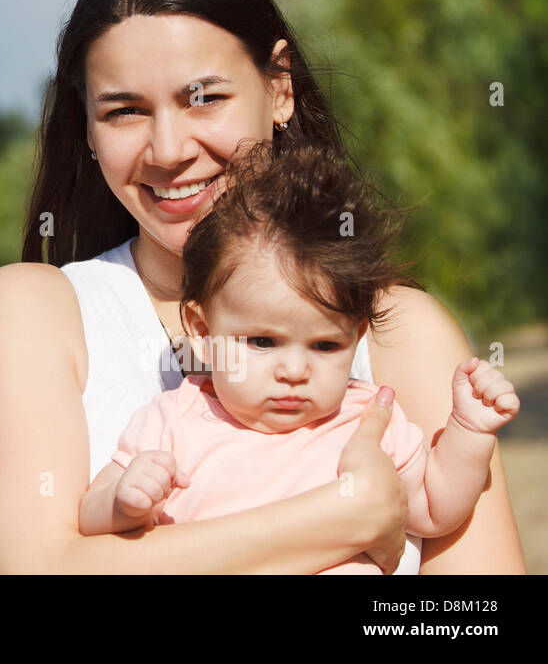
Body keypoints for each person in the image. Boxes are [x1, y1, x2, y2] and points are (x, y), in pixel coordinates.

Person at [0, 0, 526, 573]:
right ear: (87, 128)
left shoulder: (400, 331)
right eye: (124, 110)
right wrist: (342, 516)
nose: (169, 149)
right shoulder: (35, 312)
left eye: (204, 98)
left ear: (279, 87)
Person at [77, 139, 520, 574]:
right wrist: (123, 501)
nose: (293, 371)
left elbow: (433, 508)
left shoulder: (365, 418)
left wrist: (468, 432)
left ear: (357, 336)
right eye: (263, 343)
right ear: (203, 332)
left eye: (325, 346)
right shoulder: (175, 419)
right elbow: (89, 515)